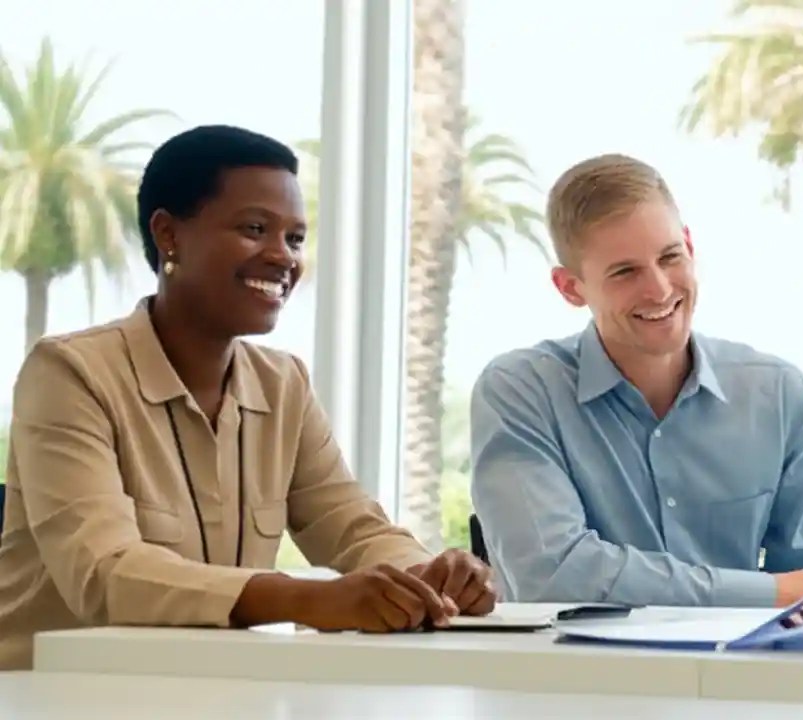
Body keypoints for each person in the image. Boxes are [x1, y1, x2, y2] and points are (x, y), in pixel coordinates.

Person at [0, 124, 495, 671]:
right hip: (52, 696)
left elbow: (352, 527)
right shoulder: (70, 372)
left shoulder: (283, 384)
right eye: (255, 228)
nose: (282, 256)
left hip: (210, 693)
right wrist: (307, 598)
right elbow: (104, 573)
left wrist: (427, 578)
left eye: (295, 238)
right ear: (169, 235)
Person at [469, 152, 803, 608]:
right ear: (571, 288)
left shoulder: (779, 395)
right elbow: (553, 575)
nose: (659, 289)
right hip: (577, 678)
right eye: (625, 272)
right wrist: (772, 592)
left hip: (739, 677)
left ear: (690, 247)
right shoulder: (519, 392)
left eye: (670, 256)